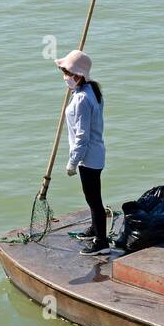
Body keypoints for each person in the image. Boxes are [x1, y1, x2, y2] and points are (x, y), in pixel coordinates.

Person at [55, 49, 108, 255]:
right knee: (93, 197)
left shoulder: (81, 99)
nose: (65, 77)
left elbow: (82, 136)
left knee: (93, 200)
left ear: (78, 76)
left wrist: (72, 162)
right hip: (96, 153)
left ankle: (101, 242)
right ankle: (95, 229)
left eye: (68, 73)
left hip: (88, 157)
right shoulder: (91, 91)